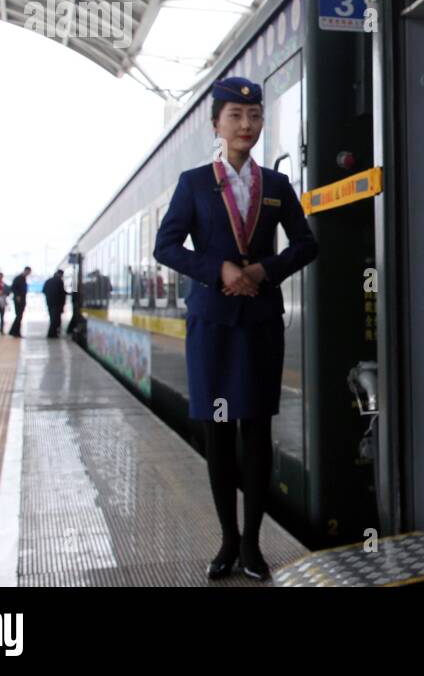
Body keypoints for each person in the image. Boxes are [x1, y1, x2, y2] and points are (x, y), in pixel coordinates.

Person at [154, 77, 318, 582]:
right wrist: (219, 270)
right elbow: (166, 246)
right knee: (219, 433)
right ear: (217, 125)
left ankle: (252, 544)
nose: (247, 125)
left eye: (254, 116)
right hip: (213, 326)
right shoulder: (195, 183)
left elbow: (306, 244)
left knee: (257, 433)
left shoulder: (276, 186)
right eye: (236, 117)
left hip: (261, 326)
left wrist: (264, 271)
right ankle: (226, 540)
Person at [44, 269, 67, 338]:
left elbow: (44, 290)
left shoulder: (48, 281)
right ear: (60, 274)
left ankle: (52, 333)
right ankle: (52, 334)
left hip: (49, 303)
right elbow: (62, 293)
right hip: (57, 304)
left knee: (52, 318)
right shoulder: (59, 281)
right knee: (55, 319)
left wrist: (49, 297)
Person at [10, 267, 31, 337]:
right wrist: (17, 296)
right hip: (19, 299)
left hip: (22, 299)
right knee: (19, 315)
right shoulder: (19, 278)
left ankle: (14, 331)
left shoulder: (23, 278)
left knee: (19, 316)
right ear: (26, 271)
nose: (29, 274)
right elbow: (13, 287)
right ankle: (15, 332)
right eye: (28, 272)